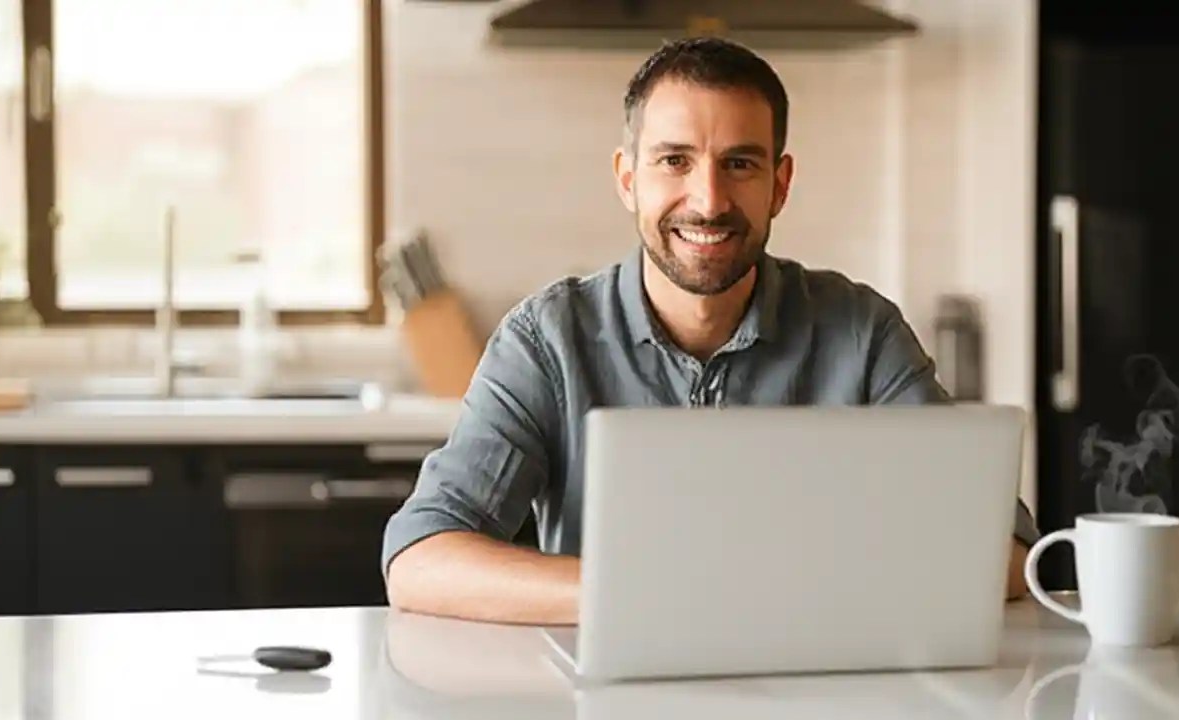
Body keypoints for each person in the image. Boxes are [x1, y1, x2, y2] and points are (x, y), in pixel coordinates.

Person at [383, 37, 1038, 625]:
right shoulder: (547, 340)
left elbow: (1007, 554)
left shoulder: (861, 331)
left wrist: (791, 596)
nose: (709, 200)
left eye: (740, 164)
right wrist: (645, 594)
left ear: (779, 185)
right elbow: (419, 560)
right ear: (627, 178)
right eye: (674, 160)